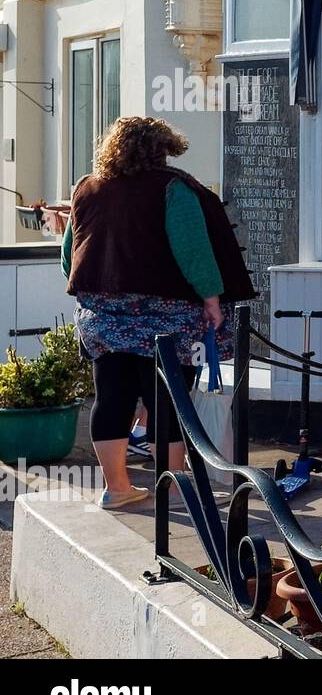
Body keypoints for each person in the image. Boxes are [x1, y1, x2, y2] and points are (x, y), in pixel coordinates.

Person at [61, 116, 255, 509]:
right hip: (169, 319)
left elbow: (70, 255)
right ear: (160, 149)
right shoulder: (173, 189)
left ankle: (116, 489)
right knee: (167, 399)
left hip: (105, 316)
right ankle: (175, 490)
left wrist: (102, 293)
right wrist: (213, 298)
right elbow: (193, 251)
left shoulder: (88, 188)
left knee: (111, 396)